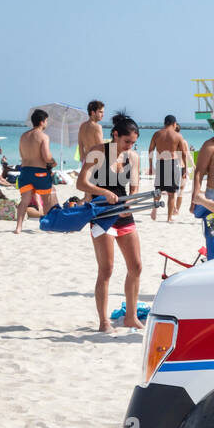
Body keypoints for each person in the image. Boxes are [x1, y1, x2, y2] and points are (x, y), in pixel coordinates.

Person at [76, 112, 143, 332]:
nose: (129, 146)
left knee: (136, 267)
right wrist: (103, 192)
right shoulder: (98, 152)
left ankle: (131, 317)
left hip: (123, 212)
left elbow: (134, 187)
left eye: (133, 142)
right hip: (102, 214)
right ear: (115, 135)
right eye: (126, 142)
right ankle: (104, 321)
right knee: (106, 269)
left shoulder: (132, 157)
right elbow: (81, 183)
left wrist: (130, 204)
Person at [15, 108, 59, 234]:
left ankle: (18, 227)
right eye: (46, 121)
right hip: (39, 172)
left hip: (25, 171)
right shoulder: (43, 136)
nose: (46, 123)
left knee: (24, 201)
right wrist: (53, 162)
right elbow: (46, 157)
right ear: (41, 122)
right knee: (46, 200)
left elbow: (22, 154)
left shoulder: (23, 136)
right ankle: (47, 226)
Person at [148, 114, 191, 221]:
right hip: (173, 163)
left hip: (160, 163)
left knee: (158, 189)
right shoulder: (177, 136)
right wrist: (185, 168)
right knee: (171, 193)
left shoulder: (157, 134)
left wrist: (150, 166)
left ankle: (154, 209)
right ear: (174, 124)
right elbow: (184, 154)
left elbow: (150, 150)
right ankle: (169, 217)